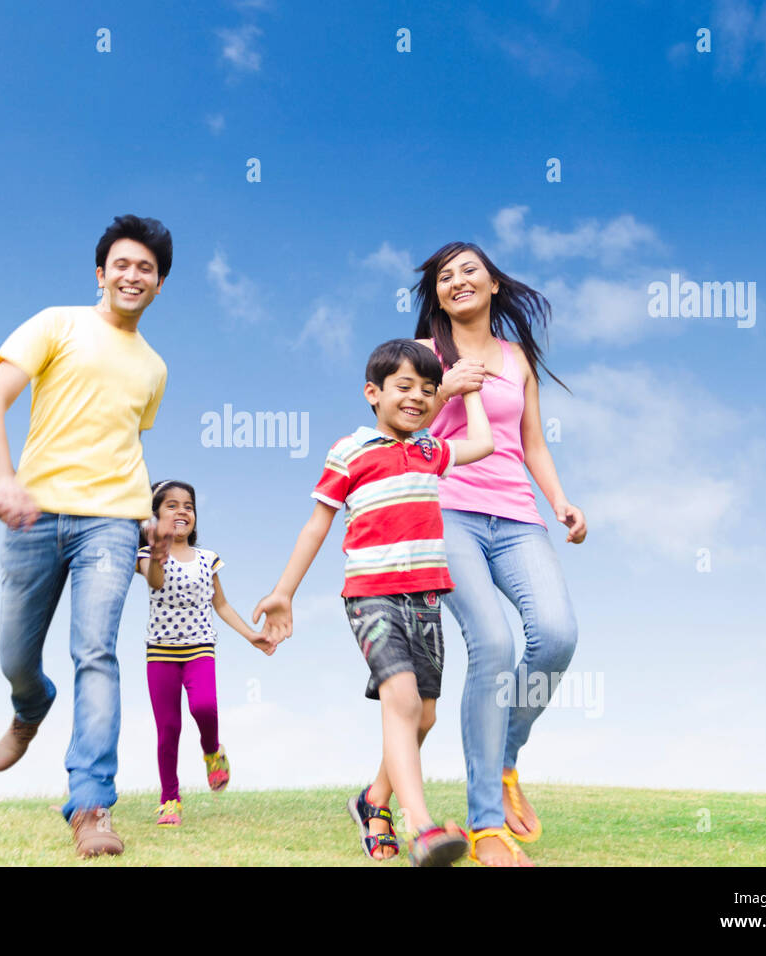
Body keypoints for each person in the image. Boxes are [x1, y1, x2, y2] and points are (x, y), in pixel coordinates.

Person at [0, 214, 174, 859]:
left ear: (159, 284)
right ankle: (30, 705)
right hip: (35, 515)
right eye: (122, 263)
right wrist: (4, 480)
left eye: (146, 267)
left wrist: (143, 511)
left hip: (111, 524)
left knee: (97, 651)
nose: (132, 274)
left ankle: (90, 805)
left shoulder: (154, 368)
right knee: (14, 656)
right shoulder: (56, 323)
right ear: (101, 273)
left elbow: (126, 439)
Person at [253, 339, 495, 866]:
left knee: (423, 717)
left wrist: (468, 389)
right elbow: (317, 526)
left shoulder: (432, 451)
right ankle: (423, 828)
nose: (417, 398)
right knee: (402, 703)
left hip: (427, 599)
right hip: (371, 596)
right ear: (373, 392)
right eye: (404, 387)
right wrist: (283, 592)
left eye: (429, 392)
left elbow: (484, 442)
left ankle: (373, 802)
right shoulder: (351, 450)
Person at [413, 241, 586, 867]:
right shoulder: (425, 357)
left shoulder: (517, 360)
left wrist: (561, 501)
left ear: (492, 286)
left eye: (470, 271)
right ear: (437, 294)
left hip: (517, 517)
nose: (457, 280)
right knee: (492, 645)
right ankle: (486, 823)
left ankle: (505, 754)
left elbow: (531, 441)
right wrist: (443, 392)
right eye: (444, 276)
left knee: (558, 636)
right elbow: (402, 433)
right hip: (449, 510)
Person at [135, 479, 277, 828]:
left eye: (188, 506)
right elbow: (154, 580)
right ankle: (170, 801)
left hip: (200, 649)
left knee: (204, 707)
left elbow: (222, 605)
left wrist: (251, 636)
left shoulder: (207, 559)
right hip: (161, 654)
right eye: (171, 505)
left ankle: (212, 751)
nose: (182, 511)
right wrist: (156, 553)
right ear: (154, 516)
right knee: (168, 728)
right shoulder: (146, 556)